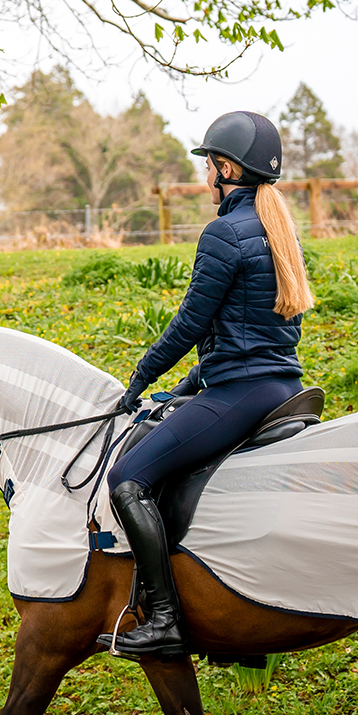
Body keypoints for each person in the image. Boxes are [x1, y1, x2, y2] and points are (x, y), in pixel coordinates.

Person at [97, 111, 315, 658]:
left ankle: (165, 619)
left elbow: (191, 323)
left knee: (127, 477)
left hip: (240, 395)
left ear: (226, 168)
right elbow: (252, 335)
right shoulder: (278, 231)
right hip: (279, 386)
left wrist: (142, 378)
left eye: (211, 166)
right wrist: (191, 385)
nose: (207, 179)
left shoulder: (223, 232)